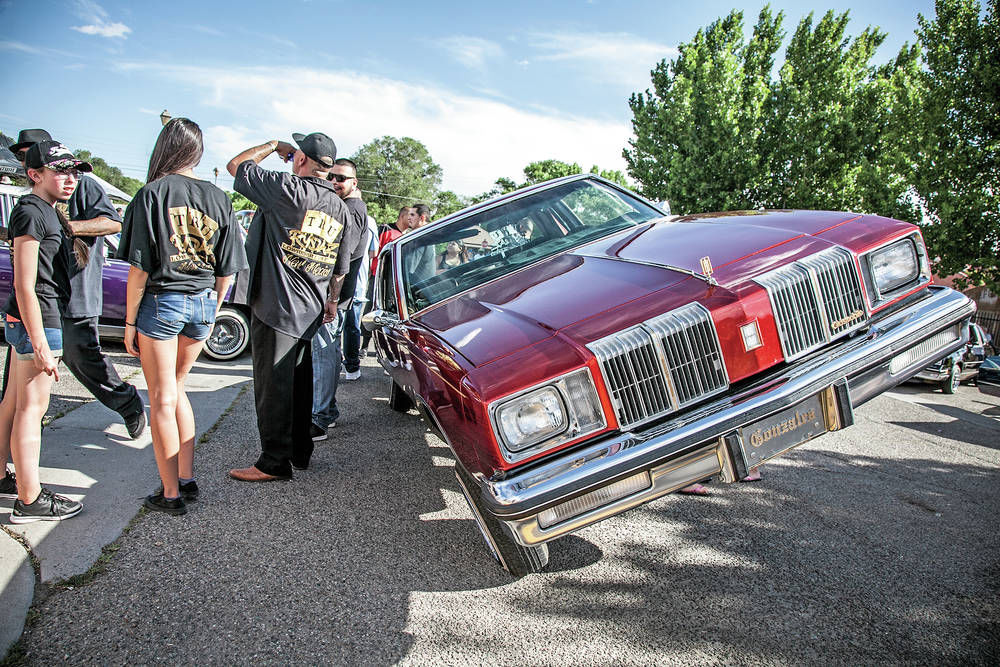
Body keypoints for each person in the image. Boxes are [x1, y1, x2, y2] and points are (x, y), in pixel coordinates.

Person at [117, 118, 247, 515]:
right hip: (204, 301)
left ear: (165, 147)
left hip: (162, 301)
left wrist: (128, 323)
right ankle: (186, 478)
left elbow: (138, 269)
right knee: (177, 388)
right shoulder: (219, 199)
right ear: (198, 152)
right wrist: (212, 309)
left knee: (160, 398)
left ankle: (170, 493)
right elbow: (228, 271)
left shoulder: (151, 194)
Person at [226, 132, 351, 481]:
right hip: (310, 305)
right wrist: (331, 302)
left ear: (300, 160)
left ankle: (274, 462)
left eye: (295, 154)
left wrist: (272, 146)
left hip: (278, 303)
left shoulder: (286, 188)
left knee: (272, 386)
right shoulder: (339, 207)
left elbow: (236, 166)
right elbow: (341, 267)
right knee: (297, 381)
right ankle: (299, 451)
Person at [0, 141, 91, 522]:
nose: (70, 178)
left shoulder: (45, 211)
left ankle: (12, 481)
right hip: (38, 317)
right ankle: (30, 499)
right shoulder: (32, 212)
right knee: (31, 410)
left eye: (74, 171)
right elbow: (25, 284)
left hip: (37, 316)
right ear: (34, 174)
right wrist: (39, 341)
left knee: (13, 405)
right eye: (60, 171)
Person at [310, 158, 367, 439]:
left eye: (341, 178)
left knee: (324, 356)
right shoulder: (349, 208)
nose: (335, 182)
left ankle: (319, 418)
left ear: (354, 183)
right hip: (334, 297)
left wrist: (331, 299)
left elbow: (342, 260)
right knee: (325, 354)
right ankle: (327, 412)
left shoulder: (353, 211)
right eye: (332, 176)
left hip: (333, 298)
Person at [341, 212, 377, 381]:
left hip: (341, 281)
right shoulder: (370, 221)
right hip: (357, 281)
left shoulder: (336, 213)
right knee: (351, 326)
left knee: (335, 327)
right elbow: (373, 252)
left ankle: (340, 367)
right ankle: (352, 368)